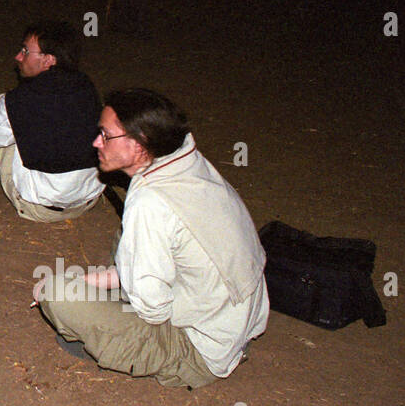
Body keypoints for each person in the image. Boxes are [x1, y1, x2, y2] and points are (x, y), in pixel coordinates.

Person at [33, 88, 269, 388]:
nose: (96, 142)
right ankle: (110, 301)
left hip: (198, 351)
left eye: (106, 135)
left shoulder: (150, 200)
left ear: (140, 141)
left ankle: (112, 342)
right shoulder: (186, 161)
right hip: (234, 319)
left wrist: (72, 286)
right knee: (126, 239)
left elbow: (152, 309)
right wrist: (93, 280)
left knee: (56, 293)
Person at [0, 21, 102, 222]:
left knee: (4, 122)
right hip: (88, 200)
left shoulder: (18, 99)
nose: (18, 57)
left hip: (39, 209)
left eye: (25, 51)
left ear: (48, 60)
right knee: (11, 118)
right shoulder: (85, 87)